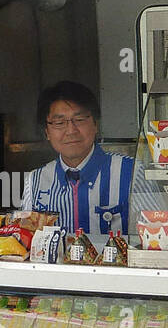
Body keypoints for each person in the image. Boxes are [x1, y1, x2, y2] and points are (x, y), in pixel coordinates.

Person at [20, 81, 138, 236]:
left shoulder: (132, 172)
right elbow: (28, 242)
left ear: (96, 125)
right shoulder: (35, 181)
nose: (71, 130)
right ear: (47, 132)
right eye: (59, 122)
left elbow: (157, 237)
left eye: (80, 119)